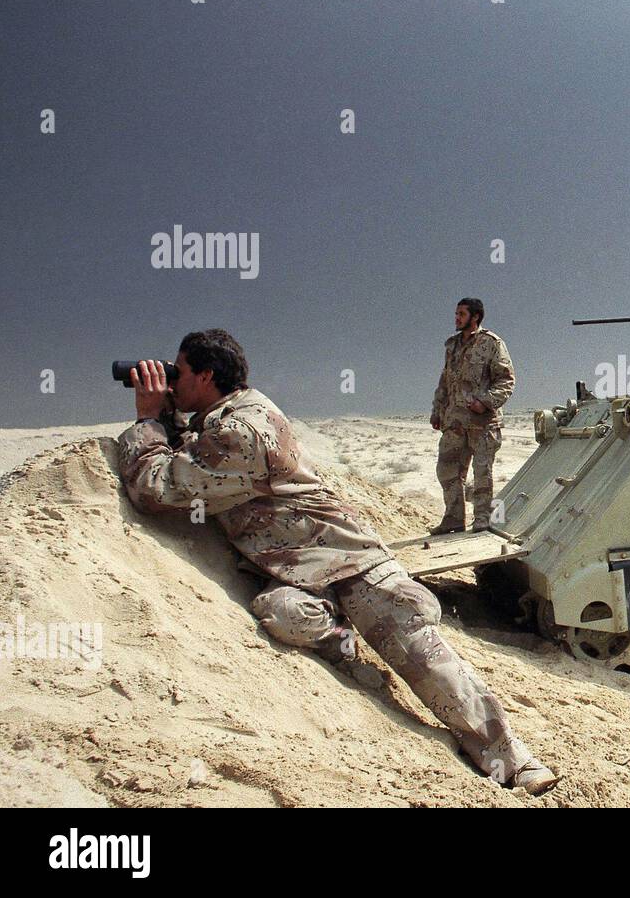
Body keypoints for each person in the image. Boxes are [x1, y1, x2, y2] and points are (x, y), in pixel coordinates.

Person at [116, 330, 557, 795]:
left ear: (206, 376)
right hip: (298, 570)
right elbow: (194, 456)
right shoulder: (225, 417)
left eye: (179, 372)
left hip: (347, 560)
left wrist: (146, 420)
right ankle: (348, 646)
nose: (171, 379)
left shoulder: (243, 431)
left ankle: (512, 759)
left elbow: (154, 489)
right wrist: (170, 415)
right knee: (282, 613)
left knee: (421, 652)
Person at [430, 298, 513, 534]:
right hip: (454, 422)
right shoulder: (452, 346)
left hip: (482, 423)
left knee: (482, 473)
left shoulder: (491, 343)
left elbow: (506, 380)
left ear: (475, 317)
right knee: (447, 470)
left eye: (462, 314)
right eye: (456, 313)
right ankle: (453, 519)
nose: (456, 318)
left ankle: (482, 519)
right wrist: (437, 410)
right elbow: (445, 381)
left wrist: (485, 402)